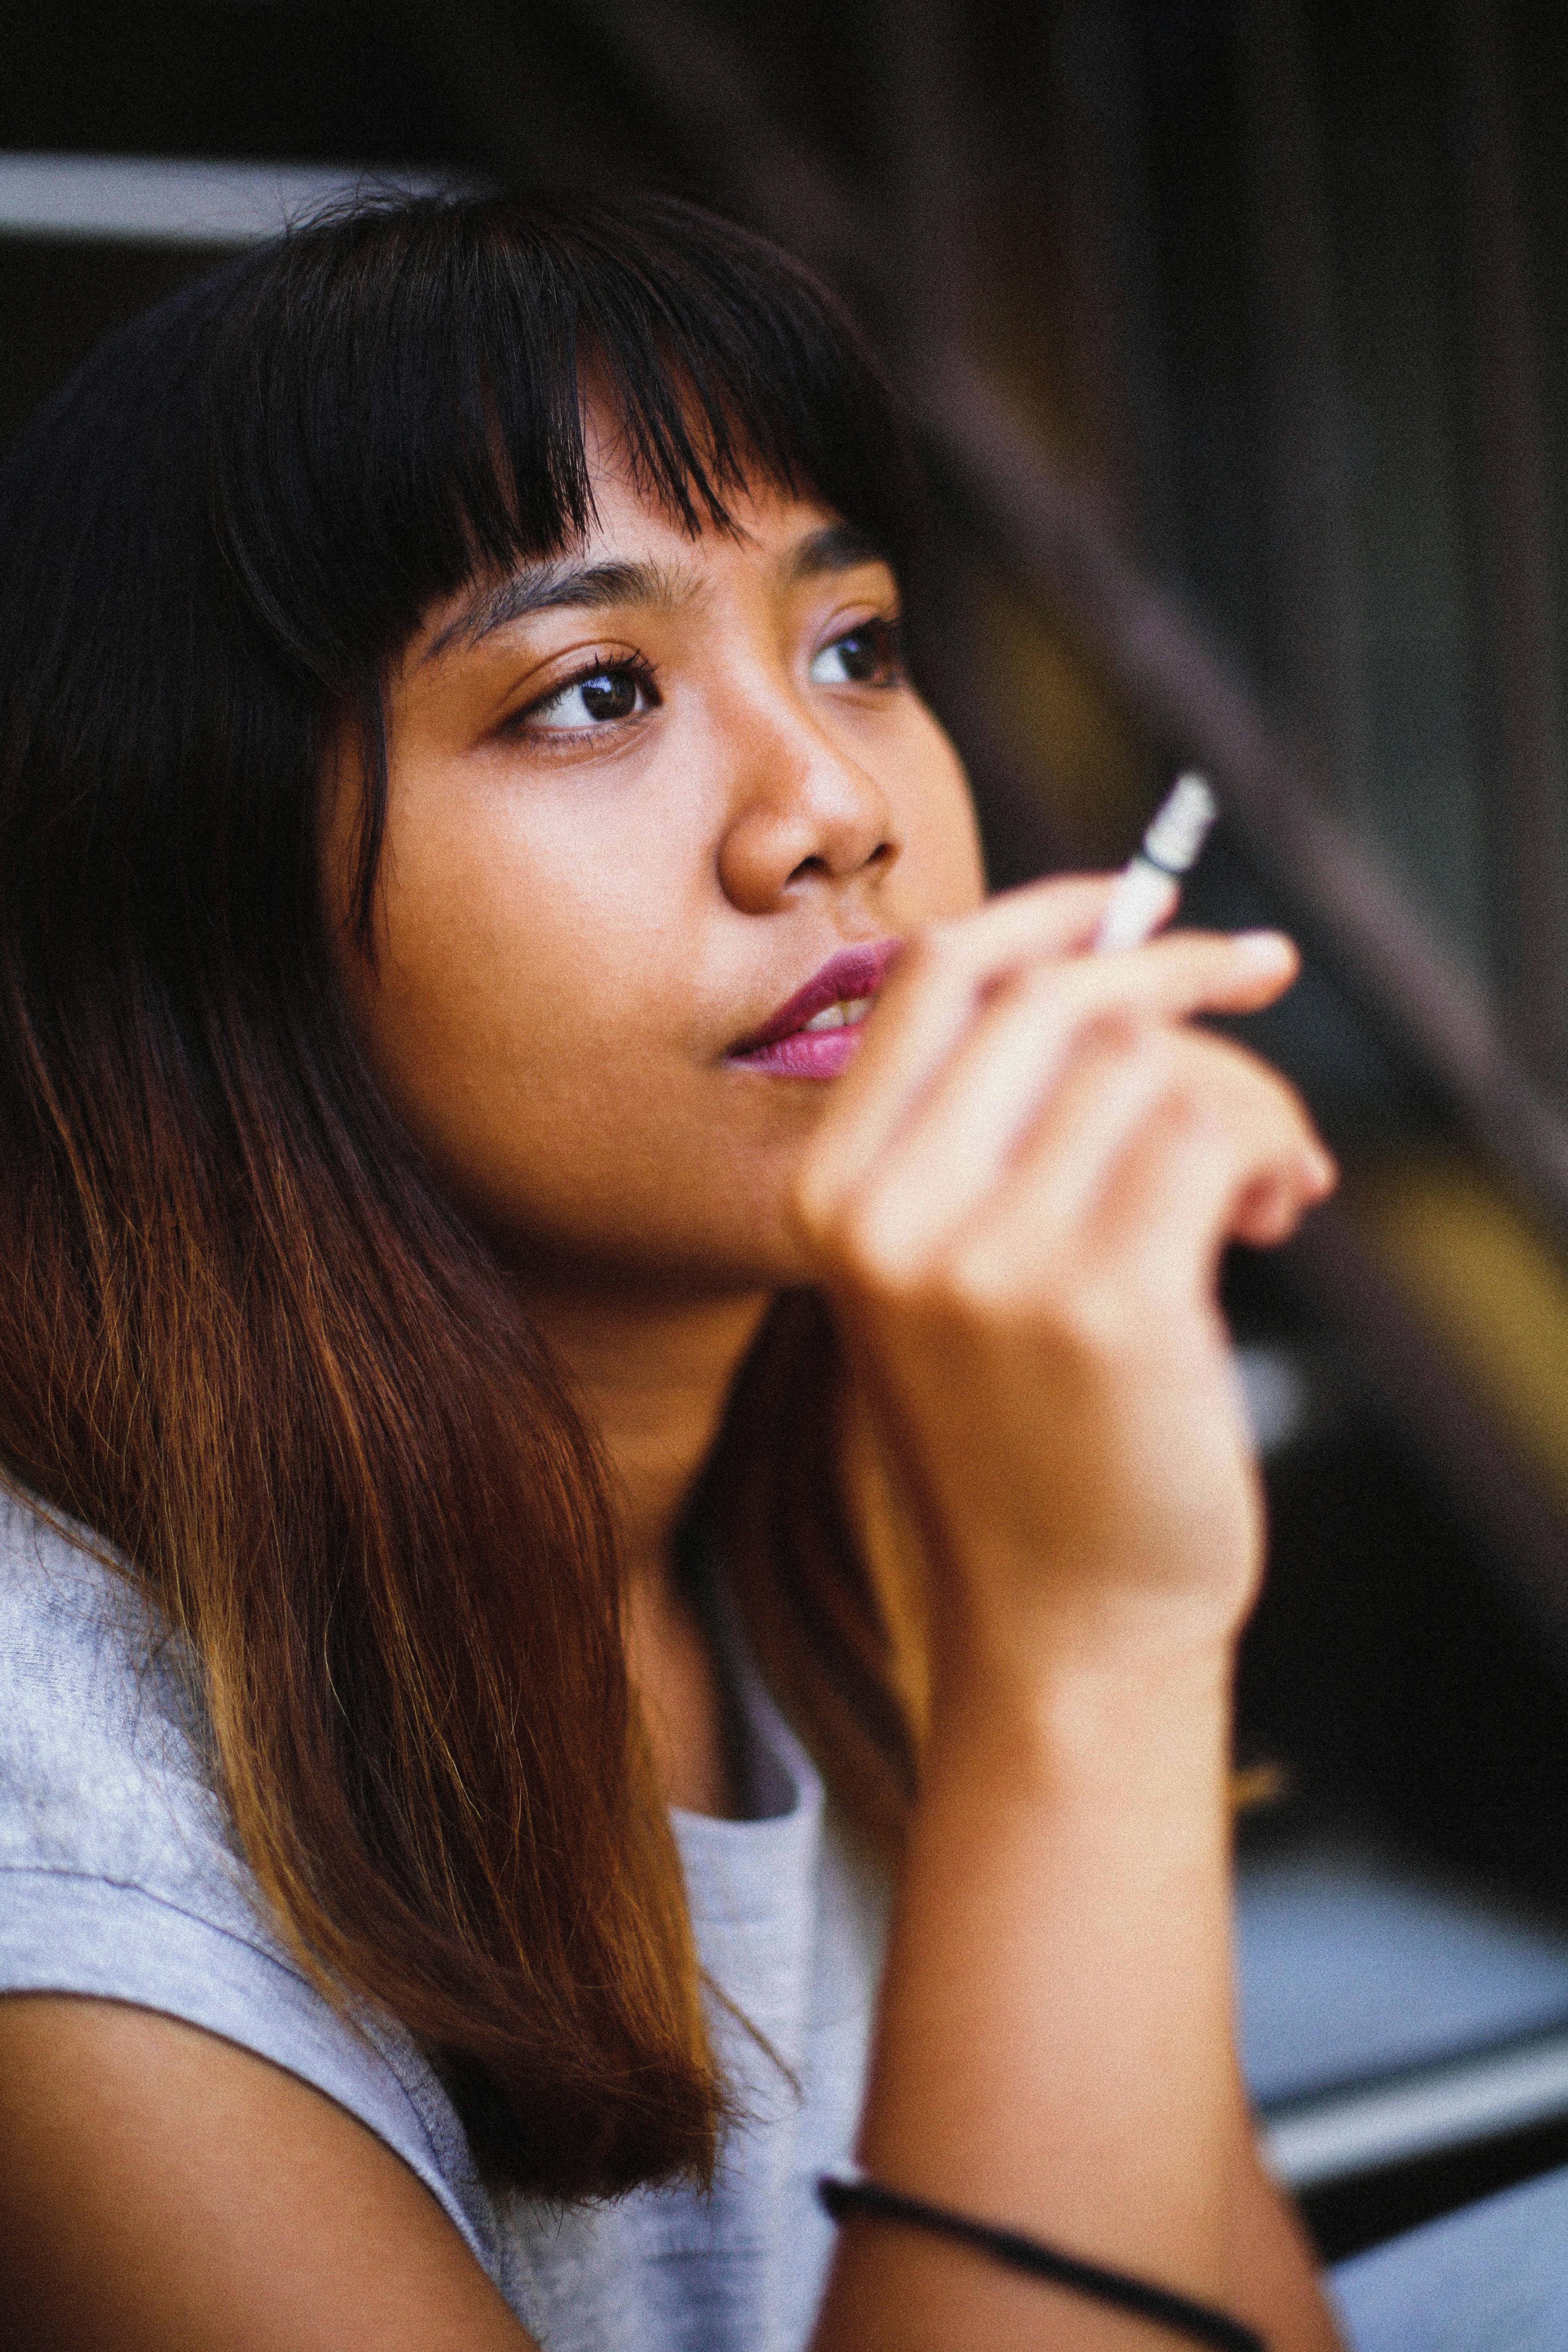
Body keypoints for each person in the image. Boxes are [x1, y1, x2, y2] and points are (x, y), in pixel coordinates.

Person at [0, 191, 1343, 2350]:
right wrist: (1080, 1662)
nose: (827, 810)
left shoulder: (861, 1483)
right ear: (201, 906)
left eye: (857, 648)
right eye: (594, 688)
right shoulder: (52, 1809)